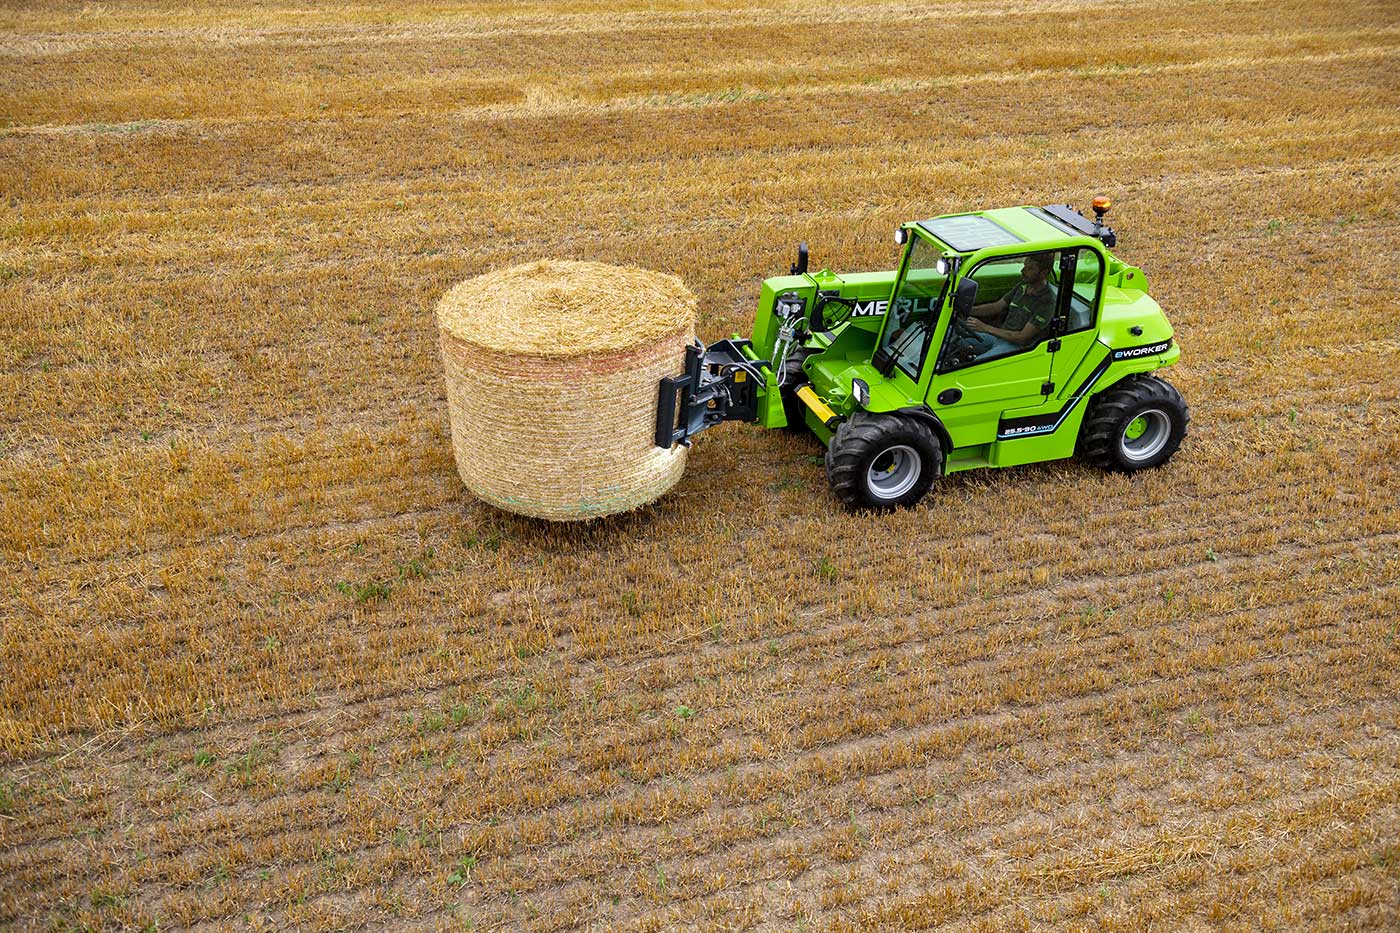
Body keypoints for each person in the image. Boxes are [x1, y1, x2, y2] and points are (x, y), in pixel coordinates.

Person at [961, 253, 1058, 360]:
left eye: (1030, 268)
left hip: (1018, 348)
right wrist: (965, 309)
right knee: (957, 342)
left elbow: (1022, 338)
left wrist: (985, 328)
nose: (1023, 271)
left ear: (1043, 273)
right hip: (1000, 337)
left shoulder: (1047, 302)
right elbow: (995, 307)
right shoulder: (1022, 286)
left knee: (976, 365)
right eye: (1025, 265)